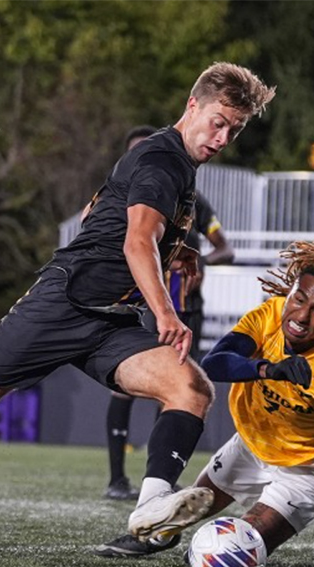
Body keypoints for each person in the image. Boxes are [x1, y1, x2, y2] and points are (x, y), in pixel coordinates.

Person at [0, 62, 275, 545]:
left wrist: (178, 249)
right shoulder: (163, 161)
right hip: (62, 305)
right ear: (192, 106)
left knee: (192, 389)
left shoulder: (181, 169)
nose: (223, 138)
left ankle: (149, 517)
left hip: (111, 320)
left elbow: (102, 213)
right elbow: (136, 242)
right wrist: (165, 312)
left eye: (234, 130)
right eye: (218, 122)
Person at [94, 242, 314, 564]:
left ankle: (227, 549)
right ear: (290, 293)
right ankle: (162, 537)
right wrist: (267, 369)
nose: (302, 316)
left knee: (233, 551)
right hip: (254, 442)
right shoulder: (269, 316)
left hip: (312, 468)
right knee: (180, 514)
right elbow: (215, 362)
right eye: (299, 299)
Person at [102, 125, 235, 501]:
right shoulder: (121, 198)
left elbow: (226, 250)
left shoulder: (193, 200)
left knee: (180, 388)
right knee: (123, 390)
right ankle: (115, 480)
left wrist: (197, 260)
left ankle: (156, 481)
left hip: (187, 310)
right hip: (142, 306)